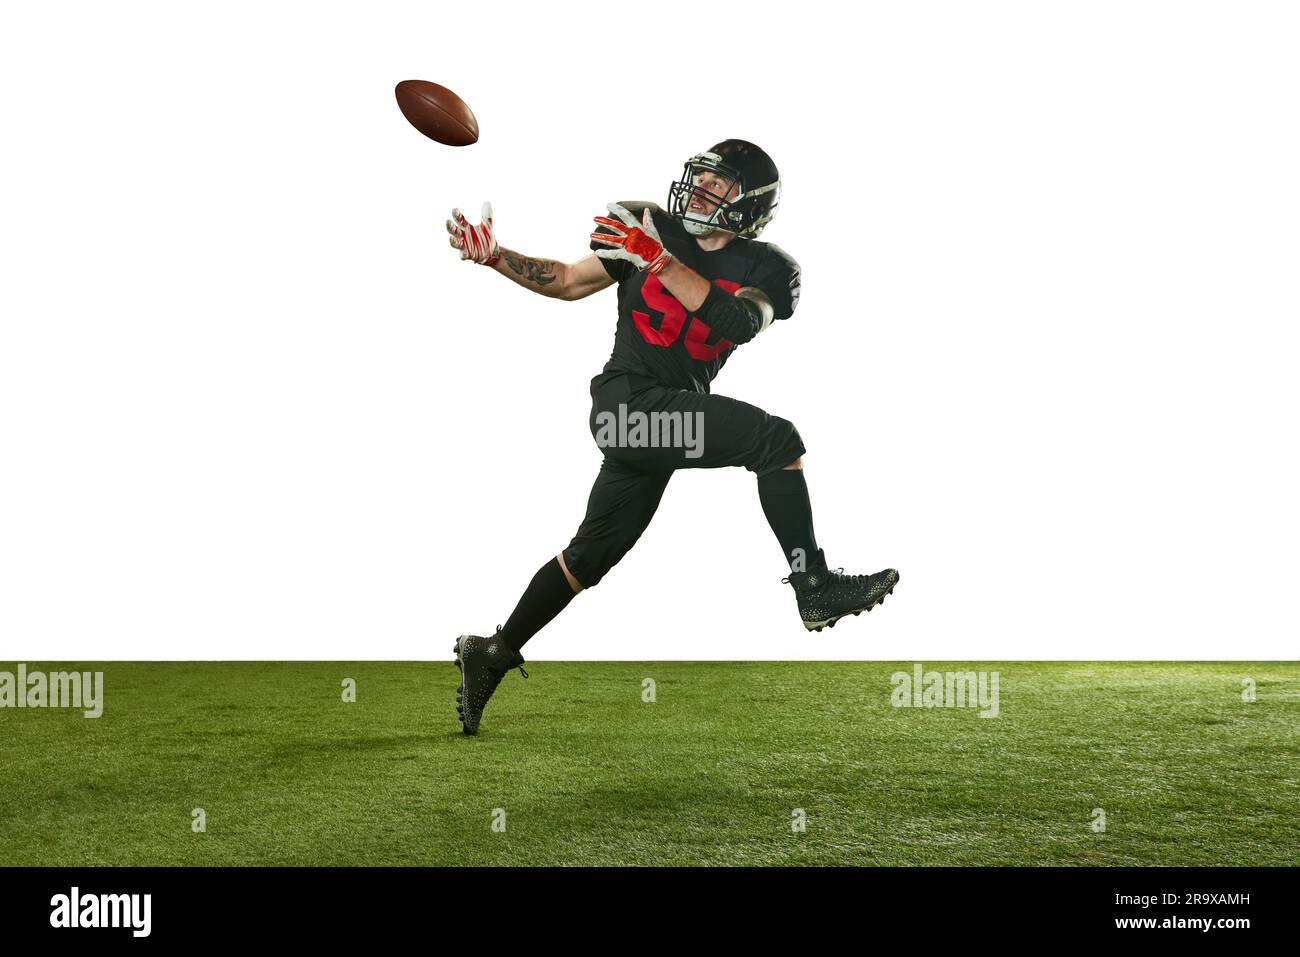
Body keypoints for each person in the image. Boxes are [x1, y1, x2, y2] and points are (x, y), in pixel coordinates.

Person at [444, 140, 898, 735]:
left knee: (590, 557)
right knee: (777, 442)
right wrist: (496, 257)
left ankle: (493, 650)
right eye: (702, 176)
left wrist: (658, 261)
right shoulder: (646, 228)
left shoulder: (768, 268)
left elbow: (738, 322)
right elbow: (566, 281)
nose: (704, 189)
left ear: (752, 206)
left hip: (667, 420)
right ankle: (812, 583)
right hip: (625, 409)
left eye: (722, 184)